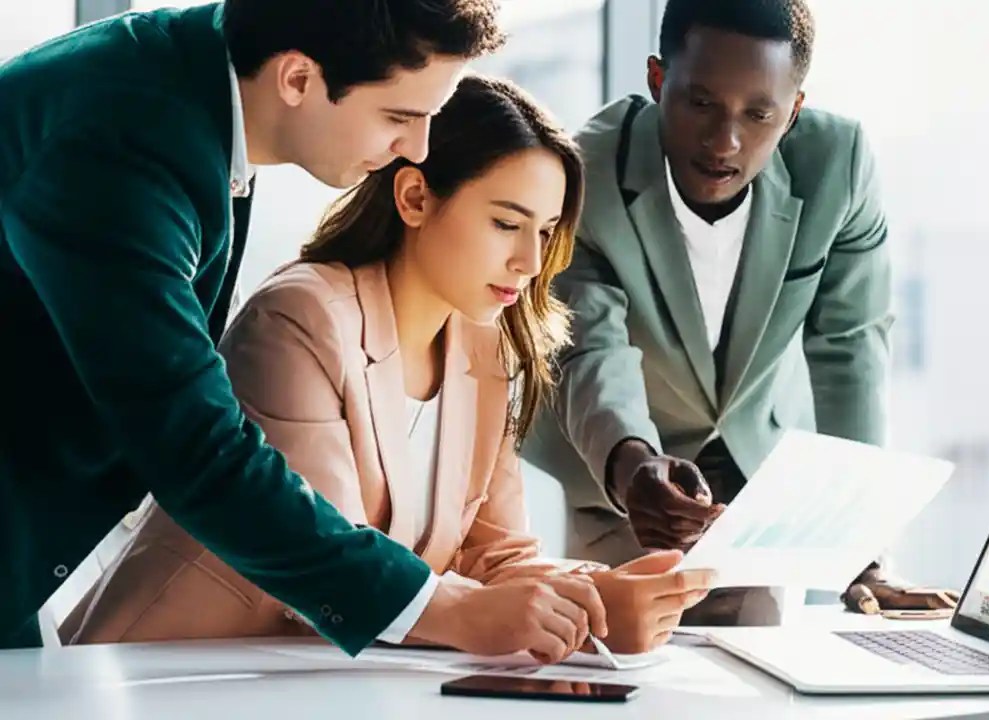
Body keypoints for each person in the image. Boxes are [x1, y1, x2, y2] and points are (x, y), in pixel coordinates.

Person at [0, 0, 607, 660]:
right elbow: (194, 447)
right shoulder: (125, 138)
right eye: (401, 117)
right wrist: (442, 606)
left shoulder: (188, 94)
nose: (419, 150)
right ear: (297, 80)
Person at [61, 75, 715, 656]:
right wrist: (588, 611)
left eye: (545, 232)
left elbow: (495, 556)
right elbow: (326, 572)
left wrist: (606, 597)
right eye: (505, 223)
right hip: (170, 673)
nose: (530, 261)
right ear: (414, 198)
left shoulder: (483, 344)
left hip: (323, 683)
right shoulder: (301, 319)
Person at [522, 0, 957, 623]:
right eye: (700, 103)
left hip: (761, 479)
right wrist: (632, 463)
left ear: (794, 111)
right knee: (615, 666)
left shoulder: (839, 163)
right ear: (657, 80)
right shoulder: (584, 171)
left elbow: (851, 349)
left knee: (763, 678)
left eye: (759, 114)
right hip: (616, 473)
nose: (725, 141)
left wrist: (860, 547)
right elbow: (588, 345)